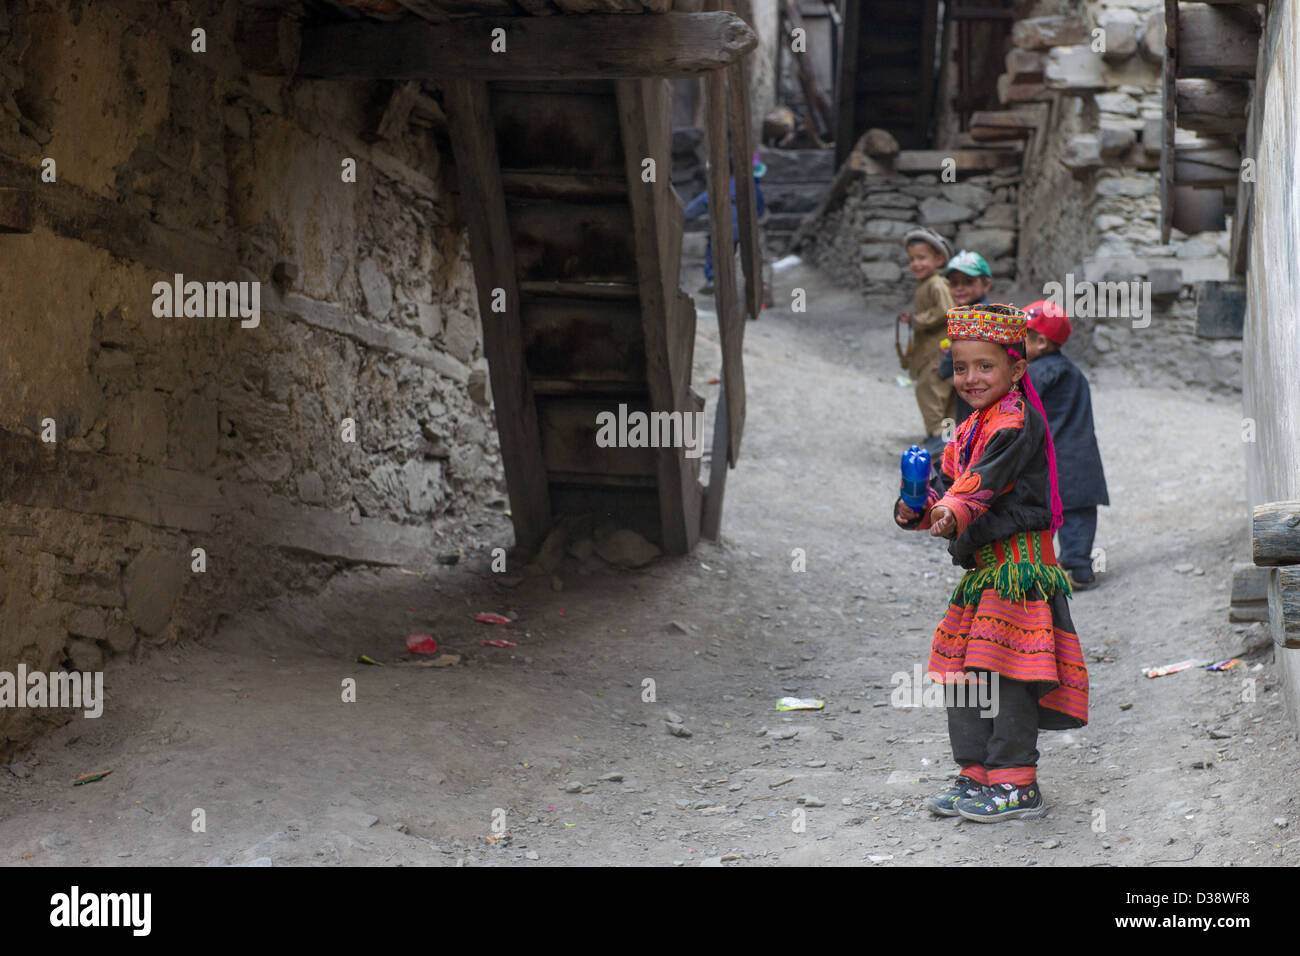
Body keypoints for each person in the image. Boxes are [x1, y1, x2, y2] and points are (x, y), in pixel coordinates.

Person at [894, 303, 1089, 823]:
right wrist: (918, 503)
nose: (971, 378)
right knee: (964, 674)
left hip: (1020, 571)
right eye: (961, 367)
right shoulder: (969, 426)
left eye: (985, 366)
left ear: (1016, 370)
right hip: (986, 574)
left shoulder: (1014, 421)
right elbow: (952, 489)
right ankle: (975, 773)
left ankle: (1017, 782)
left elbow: (982, 485)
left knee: (1006, 673)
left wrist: (948, 509)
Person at [1024, 300, 1109, 591]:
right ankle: (1078, 565)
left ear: (1041, 342)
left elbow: (1023, 410)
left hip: (1058, 456)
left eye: (1022, 335)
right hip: (1082, 455)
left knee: (1060, 511)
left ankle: (1071, 570)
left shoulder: (1038, 373)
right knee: (1079, 512)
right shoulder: (1071, 371)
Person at [897, 227, 955, 459]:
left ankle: (936, 434)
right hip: (930, 345)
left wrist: (918, 320)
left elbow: (945, 310)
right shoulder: (927, 283)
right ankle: (946, 436)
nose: (915, 264)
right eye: (912, 259)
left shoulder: (936, 284)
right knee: (942, 390)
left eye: (921, 258)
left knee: (928, 388)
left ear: (938, 259)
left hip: (938, 346)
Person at [682, 155, 766, 294]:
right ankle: (749, 282)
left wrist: (681, 218)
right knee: (746, 255)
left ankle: (712, 278)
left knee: (713, 248)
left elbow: (694, 209)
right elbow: (760, 209)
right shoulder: (751, 186)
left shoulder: (718, 187)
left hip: (722, 230)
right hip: (745, 230)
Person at [936, 250, 993, 430]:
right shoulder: (979, 313)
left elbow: (951, 362)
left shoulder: (971, 318)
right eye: (954, 283)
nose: (960, 288)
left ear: (986, 284)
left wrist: (944, 366)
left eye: (968, 282)